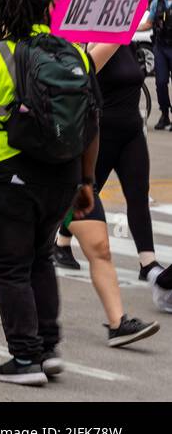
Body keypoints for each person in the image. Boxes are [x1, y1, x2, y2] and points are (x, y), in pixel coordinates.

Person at [0, 0, 105, 384]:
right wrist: (86, 182)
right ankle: (48, 349)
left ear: (4, 13)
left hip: (10, 179)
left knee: (10, 267)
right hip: (63, 178)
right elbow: (92, 124)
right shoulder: (77, 56)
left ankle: (24, 358)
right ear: (44, 11)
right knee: (40, 257)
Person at [54, 38, 162, 346]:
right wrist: (115, 37)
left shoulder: (127, 43)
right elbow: (87, 69)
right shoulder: (91, 45)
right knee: (86, 197)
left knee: (138, 194)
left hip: (131, 131)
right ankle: (61, 241)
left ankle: (147, 262)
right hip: (100, 133)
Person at [151, 0, 172, 130]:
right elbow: (148, 23)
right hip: (160, 47)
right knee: (160, 82)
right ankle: (164, 115)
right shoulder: (157, 3)